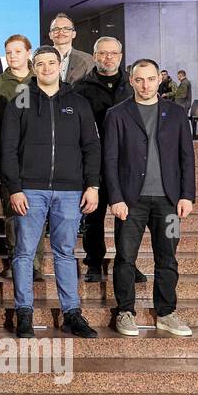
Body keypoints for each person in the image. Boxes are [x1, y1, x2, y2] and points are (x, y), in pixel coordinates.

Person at [1, 46, 101, 340]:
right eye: (41, 63)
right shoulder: (19, 100)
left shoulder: (78, 102)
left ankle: (72, 313)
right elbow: (7, 148)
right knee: (24, 253)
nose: (46, 68)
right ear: (33, 67)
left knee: (65, 253)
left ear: (60, 65)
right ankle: (24, 313)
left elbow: (92, 147)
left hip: (69, 191)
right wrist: (14, 188)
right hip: (30, 189)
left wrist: (92, 185)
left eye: (51, 63)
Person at [104, 59, 196, 338]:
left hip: (168, 201)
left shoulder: (176, 113)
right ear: (131, 81)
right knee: (125, 258)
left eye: (151, 79)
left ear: (159, 80)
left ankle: (166, 313)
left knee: (167, 258)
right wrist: (115, 197)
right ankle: (125, 312)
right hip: (131, 201)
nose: (145, 85)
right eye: (139, 79)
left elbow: (187, 157)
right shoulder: (117, 114)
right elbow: (109, 159)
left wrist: (187, 195)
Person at [73, 36, 133, 284]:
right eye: (103, 53)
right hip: (95, 160)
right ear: (95, 56)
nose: (108, 58)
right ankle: (94, 262)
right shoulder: (80, 88)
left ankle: (127, 263)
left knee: (128, 217)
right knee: (93, 216)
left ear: (120, 56)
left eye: (113, 53)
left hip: (127, 162)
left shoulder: (131, 86)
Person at [0, 35, 44, 280]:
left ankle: (36, 263)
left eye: (18, 51)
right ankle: (15, 261)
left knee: (37, 211)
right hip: (9, 156)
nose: (13, 56)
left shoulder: (42, 80)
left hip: (39, 158)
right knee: (12, 210)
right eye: (9, 52)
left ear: (28, 53)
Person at [47, 13, 92, 86]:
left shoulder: (88, 60)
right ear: (50, 35)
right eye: (56, 29)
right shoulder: (40, 59)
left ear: (74, 34)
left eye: (66, 29)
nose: (61, 32)